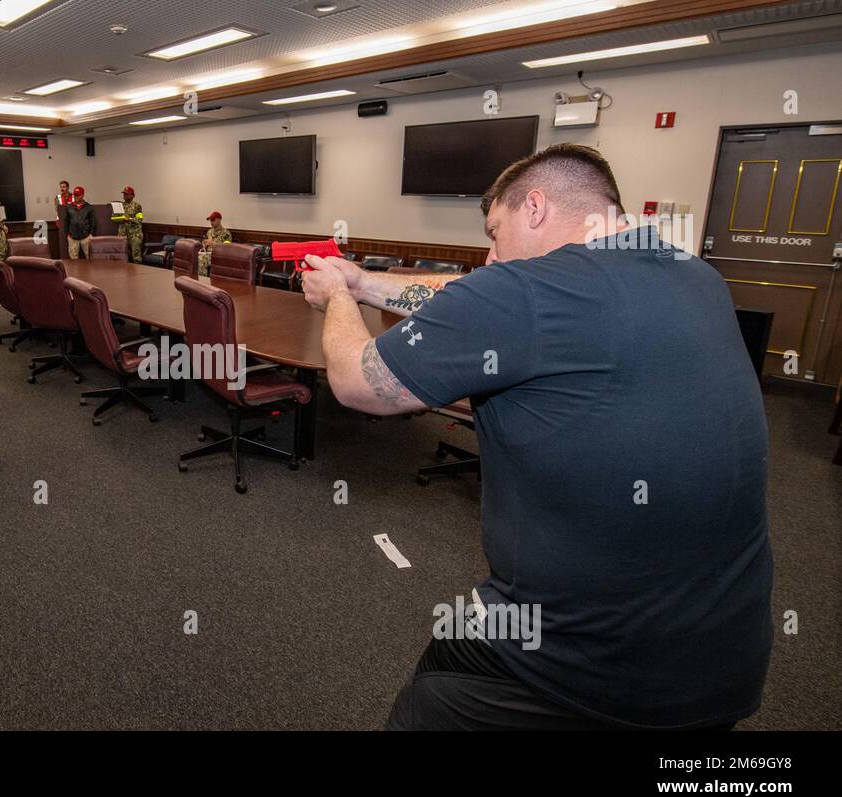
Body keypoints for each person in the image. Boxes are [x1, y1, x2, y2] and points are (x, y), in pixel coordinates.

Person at [300, 143, 772, 731]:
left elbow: (355, 381)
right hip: (723, 658)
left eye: (496, 233)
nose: (491, 257)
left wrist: (338, 299)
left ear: (537, 208)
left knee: (423, 707)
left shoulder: (525, 292)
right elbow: (476, 302)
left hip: (585, 665)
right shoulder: (696, 276)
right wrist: (367, 282)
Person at [65, 185, 95, 260]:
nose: (75, 197)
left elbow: (93, 221)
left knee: (90, 257)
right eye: (74, 195)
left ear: (82, 195)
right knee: (73, 259)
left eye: (77, 195)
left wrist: (91, 234)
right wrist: (67, 234)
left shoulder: (89, 207)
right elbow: (66, 221)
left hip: (86, 237)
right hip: (72, 237)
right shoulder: (69, 207)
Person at [198, 211, 232, 276]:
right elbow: (207, 245)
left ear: (219, 220)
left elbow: (227, 248)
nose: (211, 222)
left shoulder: (226, 234)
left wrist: (214, 243)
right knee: (194, 256)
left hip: (219, 256)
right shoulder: (209, 232)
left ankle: (202, 281)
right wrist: (204, 246)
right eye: (210, 221)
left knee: (201, 259)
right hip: (207, 253)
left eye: (213, 220)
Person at [116, 186, 144, 263]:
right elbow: (115, 217)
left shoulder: (137, 206)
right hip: (123, 233)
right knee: (123, 255)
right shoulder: (120, 206)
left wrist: (129, 219)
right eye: (124, 194)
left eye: (127, 194)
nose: (124, 196)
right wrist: (117, 217)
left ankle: (138, 272)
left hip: (134, 234)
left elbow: (139, 220)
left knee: (136, 257)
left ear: (132, 195)